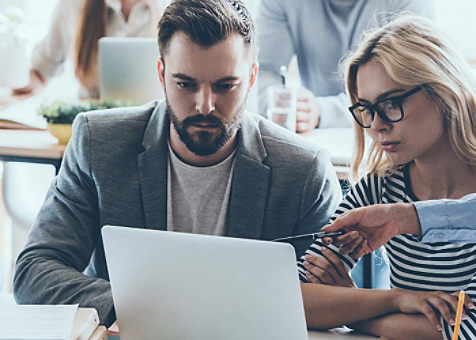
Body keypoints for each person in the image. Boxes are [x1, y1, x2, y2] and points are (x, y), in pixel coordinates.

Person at [13, 0, 342, 327]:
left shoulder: (304, 172)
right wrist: (143, 308)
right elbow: (34, 272)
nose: (205, 105)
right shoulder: (97, 144)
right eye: (185, 84)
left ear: (252, 77)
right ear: (161, 74)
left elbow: (330, 298)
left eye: (225, 86)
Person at [299, 15, 476, 340]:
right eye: (366, 108)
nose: (378, 125)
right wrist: (397, 299)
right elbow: (298, 297)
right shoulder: (379, 188)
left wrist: (353, 309)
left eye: (391, 103)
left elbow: (461, 329)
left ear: (441, 90)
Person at [256, 0, 434, 132]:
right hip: (317, 136)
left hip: (389, 130)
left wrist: (322, 111)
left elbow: (414, 89)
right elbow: (262, 71)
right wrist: (291, 106)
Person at [13, 0, 165, 99]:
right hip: (91, 125)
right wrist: (13, 81)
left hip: (153, 123)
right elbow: (40, 73)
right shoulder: (72, 5)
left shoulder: (168, 6)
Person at [322, 194, 476, 258]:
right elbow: (304, 297)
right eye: (369, 122)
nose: (376, 127)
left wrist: (353, 306)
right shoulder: (380, 182)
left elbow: (465, 324)